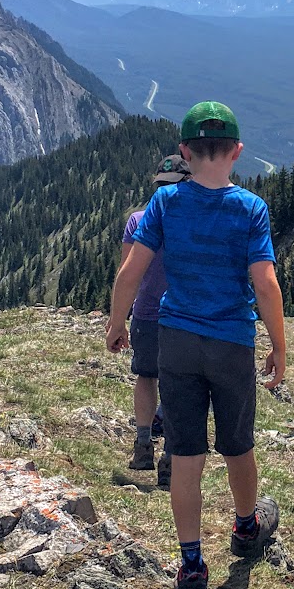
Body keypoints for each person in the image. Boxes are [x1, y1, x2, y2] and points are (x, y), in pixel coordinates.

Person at [106, 101, 286, 589]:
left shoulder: (164, 205)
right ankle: (247, 528)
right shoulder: (251, 209)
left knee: (185, 457)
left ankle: (190, 566)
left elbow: (132, 271)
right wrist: (279, 344)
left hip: (176, 341)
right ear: (237, 153)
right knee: (237, 445)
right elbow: (265, 283)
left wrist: (118, 323)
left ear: (185, 152)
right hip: (231, 342)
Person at [122, 153, 191, 487]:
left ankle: (143, 445)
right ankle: (169, 461)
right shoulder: (191, 220)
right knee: (177, 387)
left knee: (145, 377)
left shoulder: (137, 220)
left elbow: (126, 274)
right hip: (181, 315)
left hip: (146, 313)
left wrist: (117, 319)